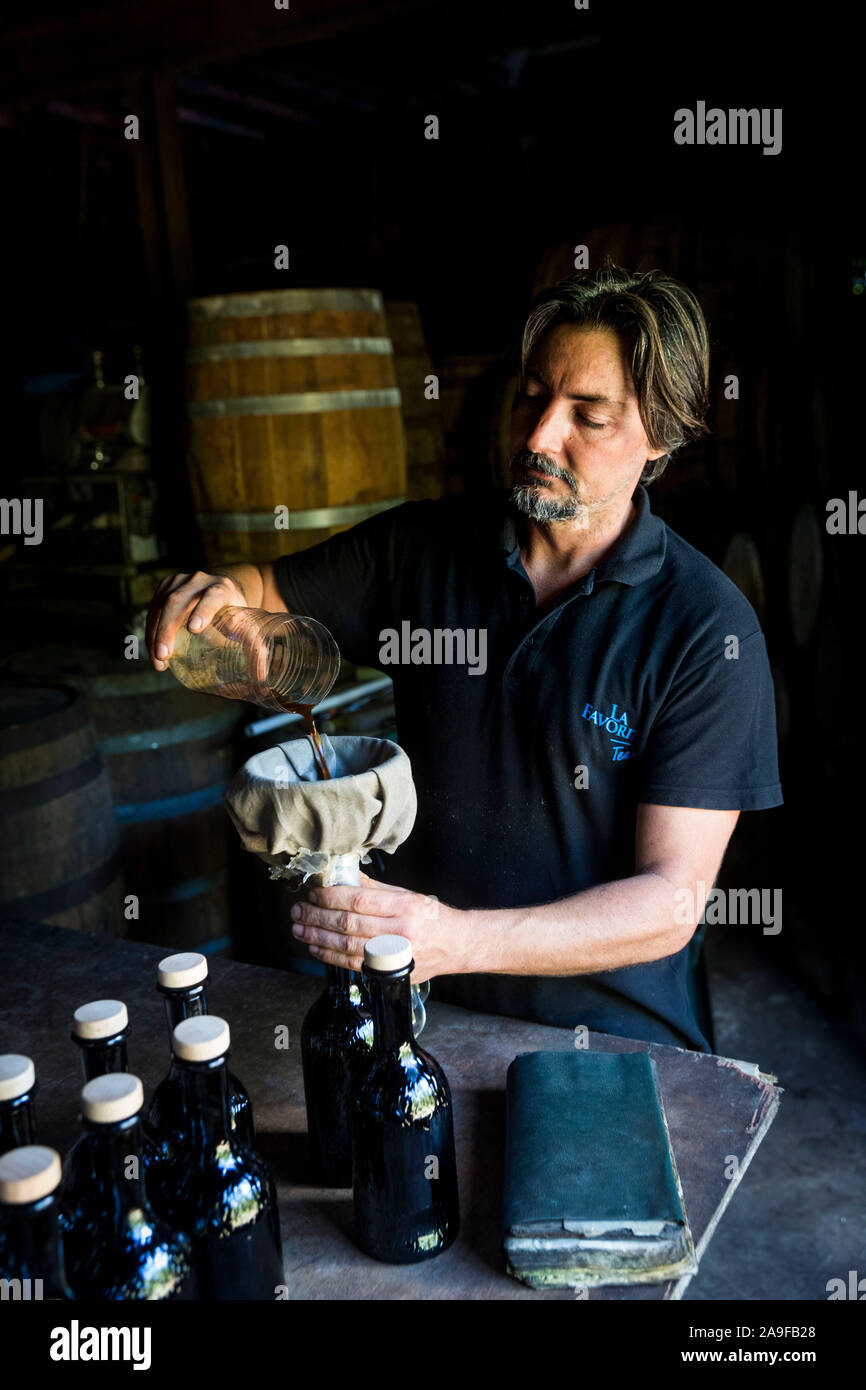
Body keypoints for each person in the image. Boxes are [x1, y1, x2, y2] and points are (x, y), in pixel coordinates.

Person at [147, 265, 783, 1052]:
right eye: (533, 395)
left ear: (662, 435)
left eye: (589, 416)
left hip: (610, 1032)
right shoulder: (422, 550)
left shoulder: (704, 630)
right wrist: (214, 599)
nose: (540, 436)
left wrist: (452, 936)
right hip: (418, 995)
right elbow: (265, 592)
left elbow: (670, 902)